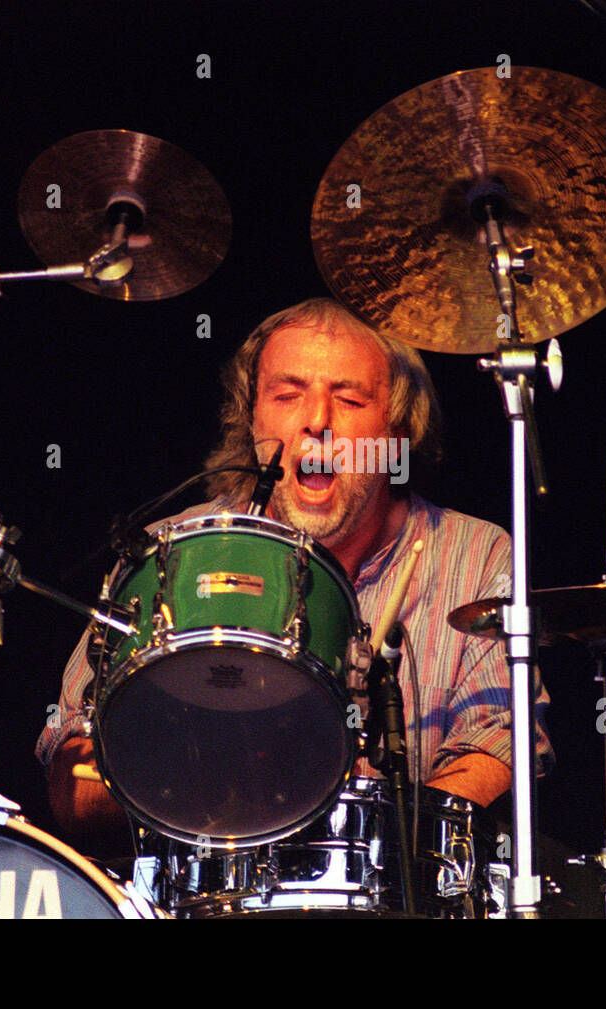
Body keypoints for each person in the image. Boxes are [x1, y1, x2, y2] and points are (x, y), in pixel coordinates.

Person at [37, 297, 552, 843]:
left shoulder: (475, 555)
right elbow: (73, 770)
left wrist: (367, 830)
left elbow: (505, 743)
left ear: (397, 431)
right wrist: (206, 777)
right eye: (287, 395)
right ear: (252, 417)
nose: (317, 421)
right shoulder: (165, 550)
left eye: (350, 398)